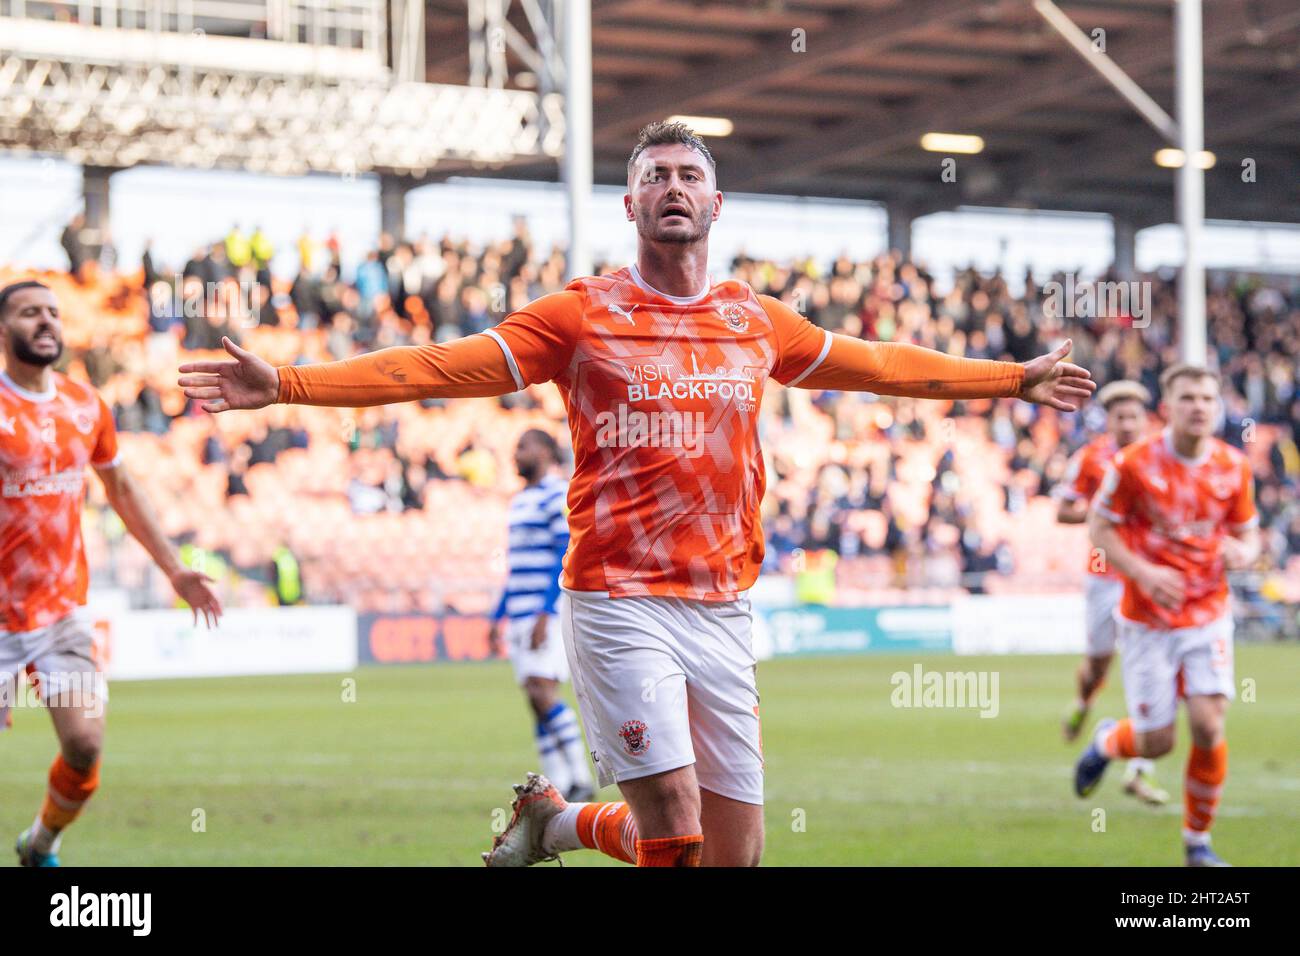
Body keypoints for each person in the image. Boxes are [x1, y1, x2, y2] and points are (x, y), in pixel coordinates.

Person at [178, 121, 1094, 867]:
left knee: (730, 856)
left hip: (722, 604)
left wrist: (1011, 378)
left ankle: (558, 823)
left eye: (688, 174)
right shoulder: (579, 315)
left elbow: (885, 365)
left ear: (716, 201)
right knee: (677, 822)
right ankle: (570, 822)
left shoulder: (754, 321)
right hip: (618, 597)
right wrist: (292, 383)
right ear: (631, 203)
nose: (673, 188)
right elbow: (434, 368)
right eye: (655, 175)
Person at [1, 280, 222, 867]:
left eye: (52, 312)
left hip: (59, 613)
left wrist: (175, 569)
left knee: (85, 744)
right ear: (4, 330)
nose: (46, 321)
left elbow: (121, 486)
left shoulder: (84, 405)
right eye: (29, 313)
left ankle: (39, 845)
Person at [1075, 365, 1258, 867]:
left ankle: (1197, 844)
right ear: (1168, 408)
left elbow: (1249, 534)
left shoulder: (1234, 467)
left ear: (1218, 407)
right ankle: (1108, 740)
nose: (1199, 406)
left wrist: (1245, 552)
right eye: (1187, 397)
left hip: (1207, 613)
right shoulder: (1134, 465)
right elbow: (1098, 528)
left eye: (1207, 398)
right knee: (1156, 743)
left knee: (1207, 724)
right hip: (1147, 618)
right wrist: (1141, 571)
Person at [1055, 380, 1168, 805]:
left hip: (1148, 574)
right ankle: (1085, 702)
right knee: (1099, 666)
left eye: (1133, 417)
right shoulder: (1090, 459)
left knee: (1151, 665)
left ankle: (1140, 768)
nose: (1127, 424)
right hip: (1104, 574)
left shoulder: (1161, 458)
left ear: (1145, 419)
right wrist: (1104, 510)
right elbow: (1062, 510)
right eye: (1119, 417)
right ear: (1110, 421)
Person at [487, 428, 594, 802]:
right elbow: (517, 567)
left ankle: (580, 776)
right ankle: (558, 782)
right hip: (519, 612)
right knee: (534, 699)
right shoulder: (519, 501)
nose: (515, 454)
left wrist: (547, 612)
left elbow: (565, 556)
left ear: (546, 452)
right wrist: (497, 615)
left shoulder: (555, 496)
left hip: (540, 612)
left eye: (523, 447)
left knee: (542, 690)